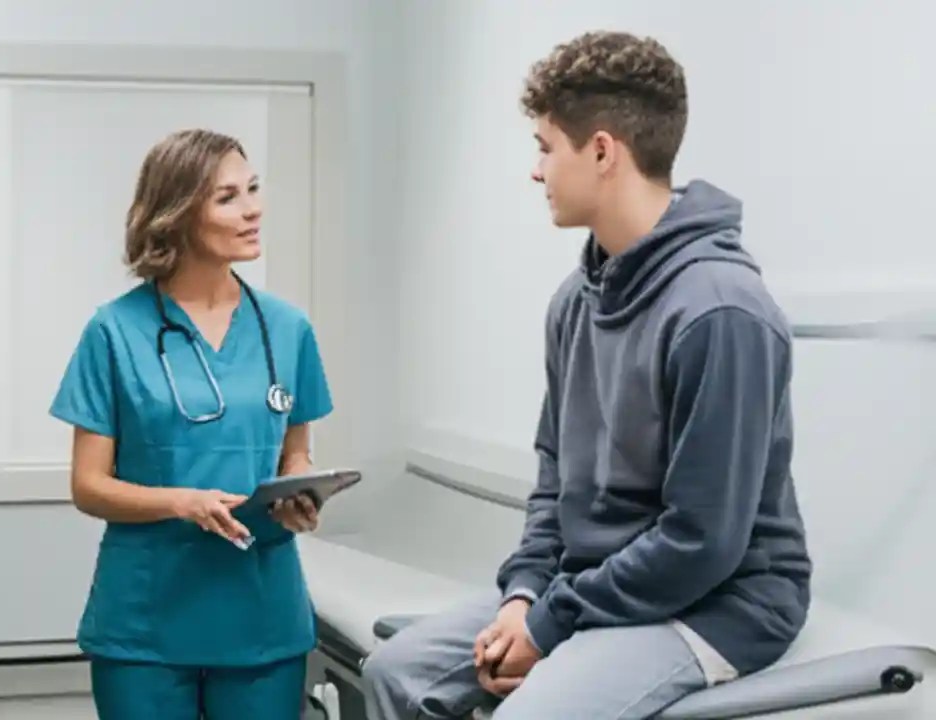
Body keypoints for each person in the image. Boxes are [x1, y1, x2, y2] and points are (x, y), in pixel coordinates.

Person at [362, 30, 813, 719]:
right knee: (396, 672)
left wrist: (547, 625)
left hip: (722, 601)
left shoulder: (721, 313)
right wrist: (524, 593)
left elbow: (702, 543)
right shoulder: (577, 301)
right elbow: (554, 480)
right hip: (593, 582)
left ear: (602, 151)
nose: (536, 171)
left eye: (545, 147)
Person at [49, 128, 334, 719]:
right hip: (148, 617)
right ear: (177, 213)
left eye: (253, 189)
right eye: (227, 197)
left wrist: (302, 491)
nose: (253, 208)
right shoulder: (114, 332)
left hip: (262, 613)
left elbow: (296, 455)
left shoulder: (288, 329)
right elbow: (88, 486)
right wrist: (183, 502)